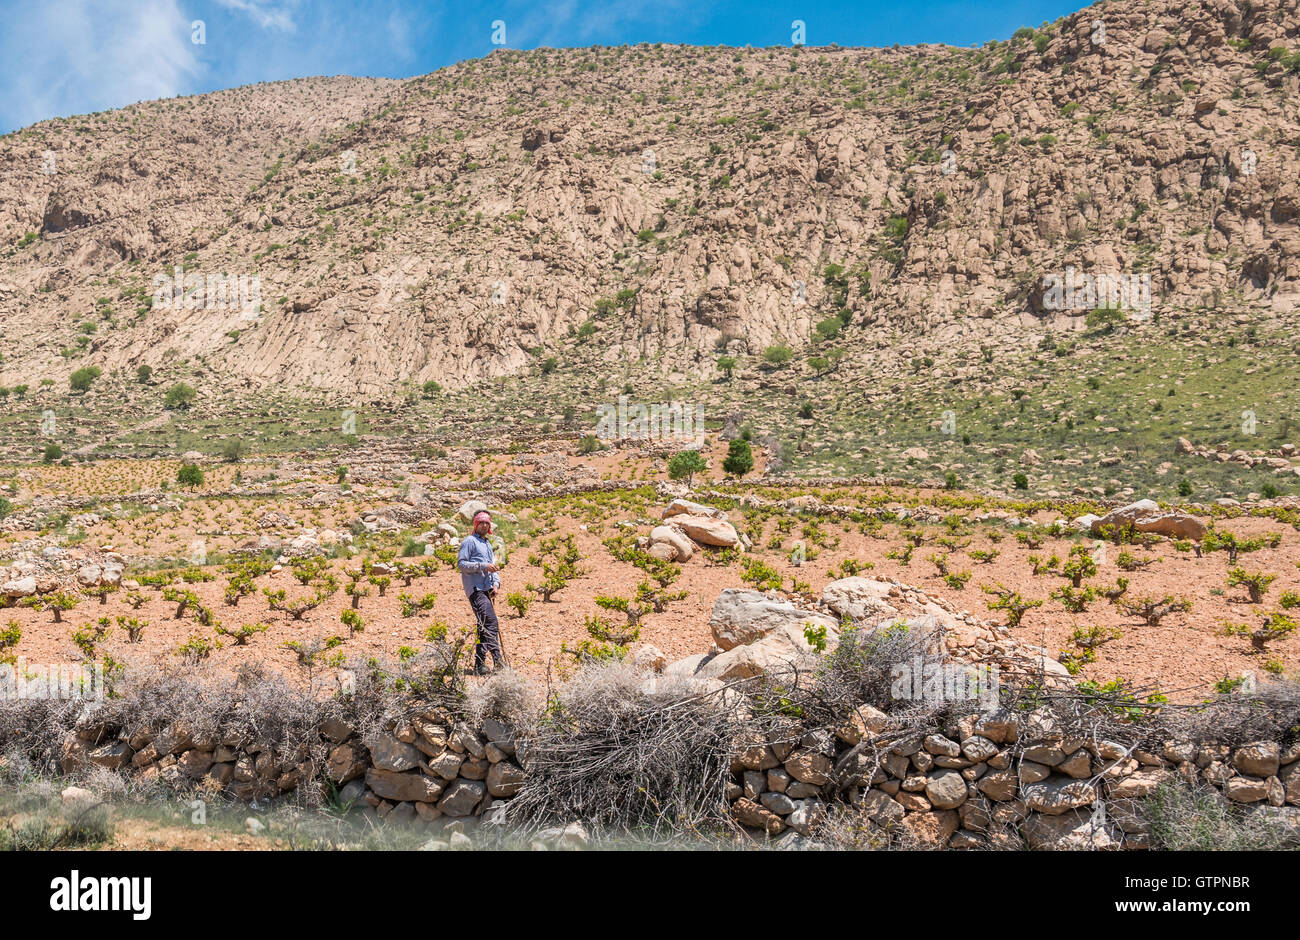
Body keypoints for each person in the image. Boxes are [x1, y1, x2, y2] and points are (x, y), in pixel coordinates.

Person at [457, 509, 505, 674]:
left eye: (487, 523)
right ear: (476, 524)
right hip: (475, 589)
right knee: (491, 622)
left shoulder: (487, 544)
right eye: (481, 522)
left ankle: (479, 664)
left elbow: (493, 568)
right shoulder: (469, 541)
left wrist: (496, 584)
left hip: (487, 589)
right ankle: (498, 661)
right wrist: (482, 566)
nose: (484, 525)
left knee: (483, 626)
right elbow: (462, 564)